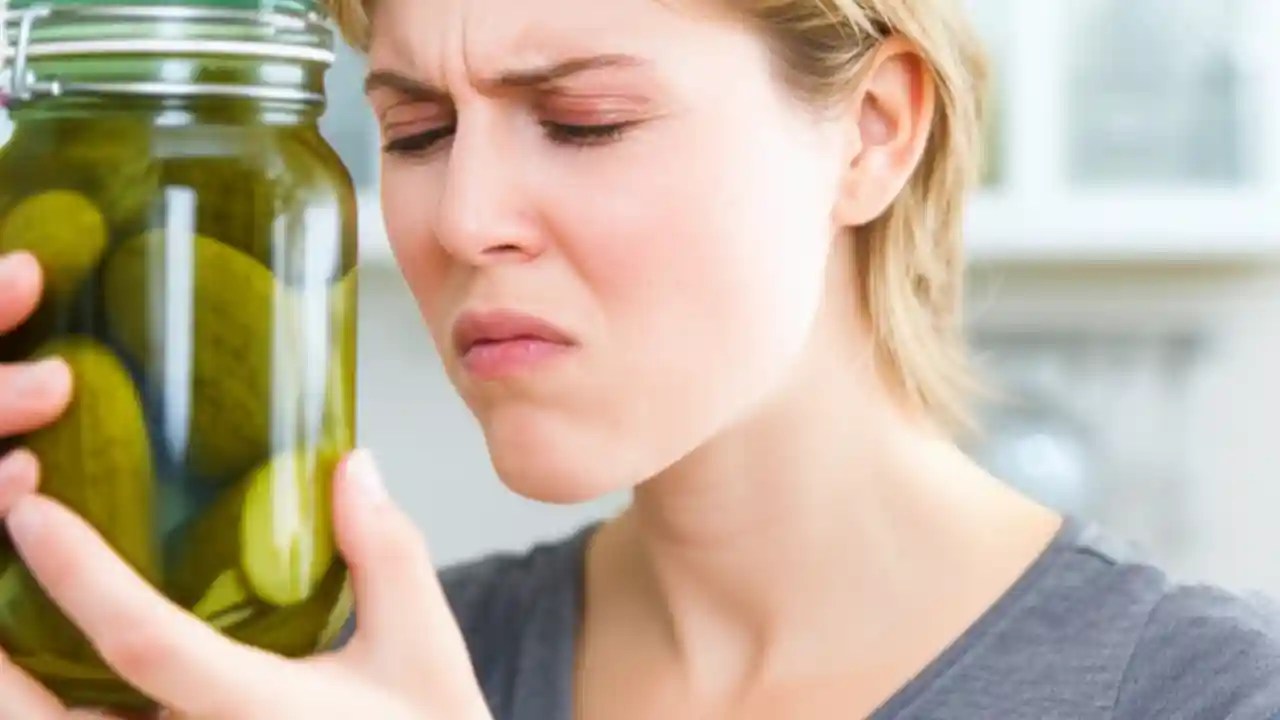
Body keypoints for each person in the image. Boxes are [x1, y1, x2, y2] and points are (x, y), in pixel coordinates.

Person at [2, 0, 1279, 717]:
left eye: (581, 122)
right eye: (418, 129)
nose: (460, 221)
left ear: (870, 135)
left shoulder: (1198, 696)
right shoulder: (360, 675)